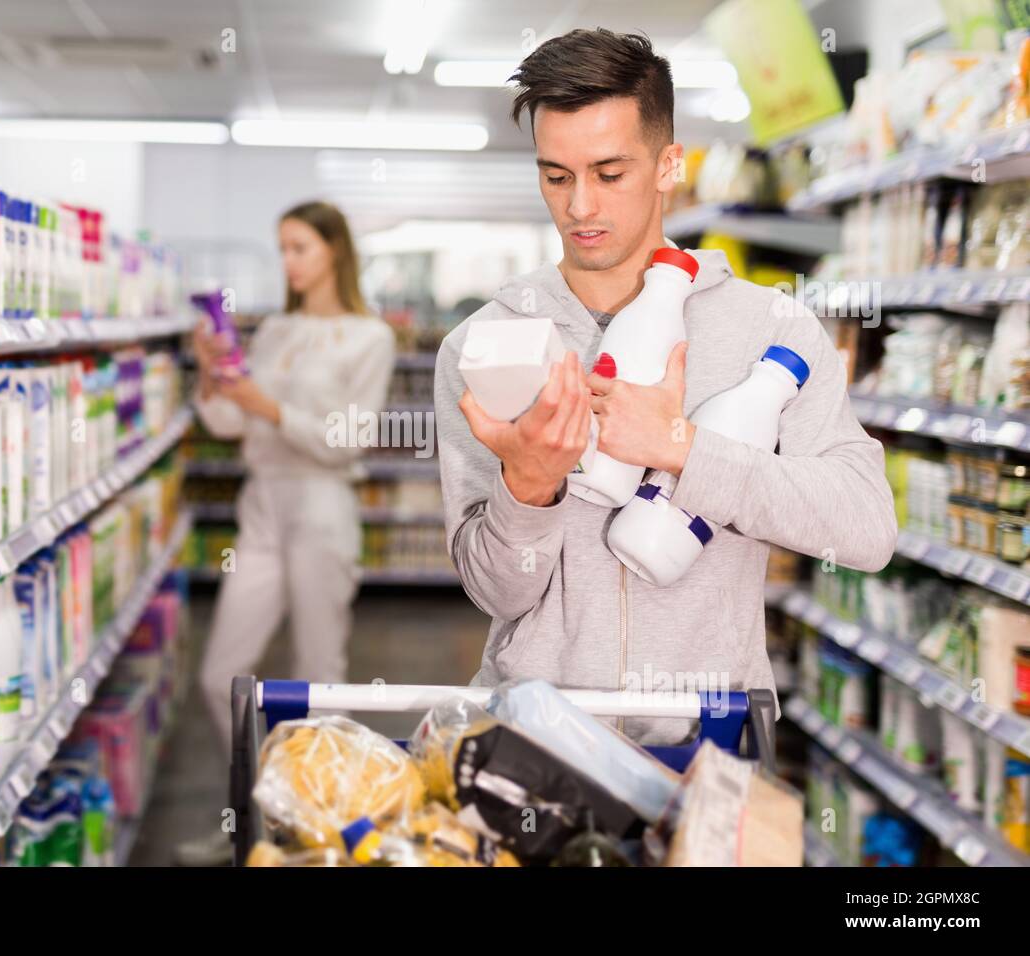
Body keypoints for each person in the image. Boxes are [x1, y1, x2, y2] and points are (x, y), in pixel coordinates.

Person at [434, 29, 898, 744]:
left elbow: (865, 530)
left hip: (708, 738)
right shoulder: (482, 347)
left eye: (609, 173)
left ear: (668, 164)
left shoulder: (772, 330)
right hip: (534, 735)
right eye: (556, 176)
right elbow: (496, 592)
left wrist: (683, 446)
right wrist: (528, 486)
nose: (580, 206)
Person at [177, 200, 396, 864]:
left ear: (334, 250)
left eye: (300, 247)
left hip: (322, 509)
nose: (289, 262)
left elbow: (347, 440)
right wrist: (212, 372)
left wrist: (267, 405)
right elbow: (226, 425)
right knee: (220, 676)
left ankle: (317, 833)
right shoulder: (273, 328)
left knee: (319, 678)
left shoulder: (369, 336)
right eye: (282, 249)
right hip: (263, 505)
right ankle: (254, 817)